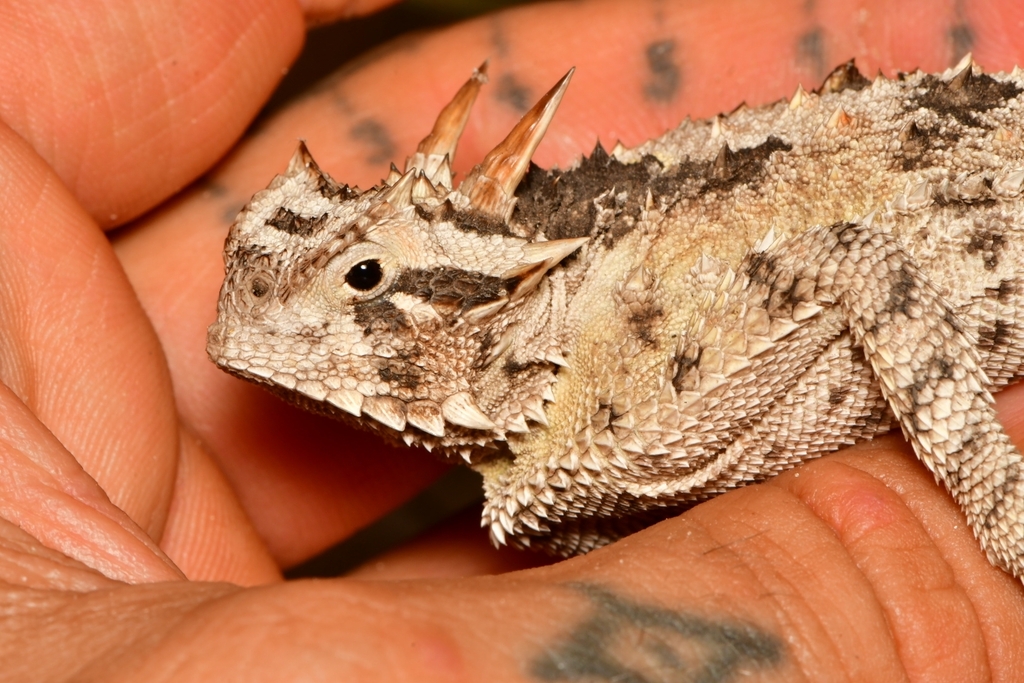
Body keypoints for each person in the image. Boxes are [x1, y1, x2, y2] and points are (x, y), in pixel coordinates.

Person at [2, 0, 1024, 679]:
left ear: (474, 301)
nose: (251, 326)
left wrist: (990, 495)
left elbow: (869, 263)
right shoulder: (548, 460)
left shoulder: (632, 340)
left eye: (364, 280)